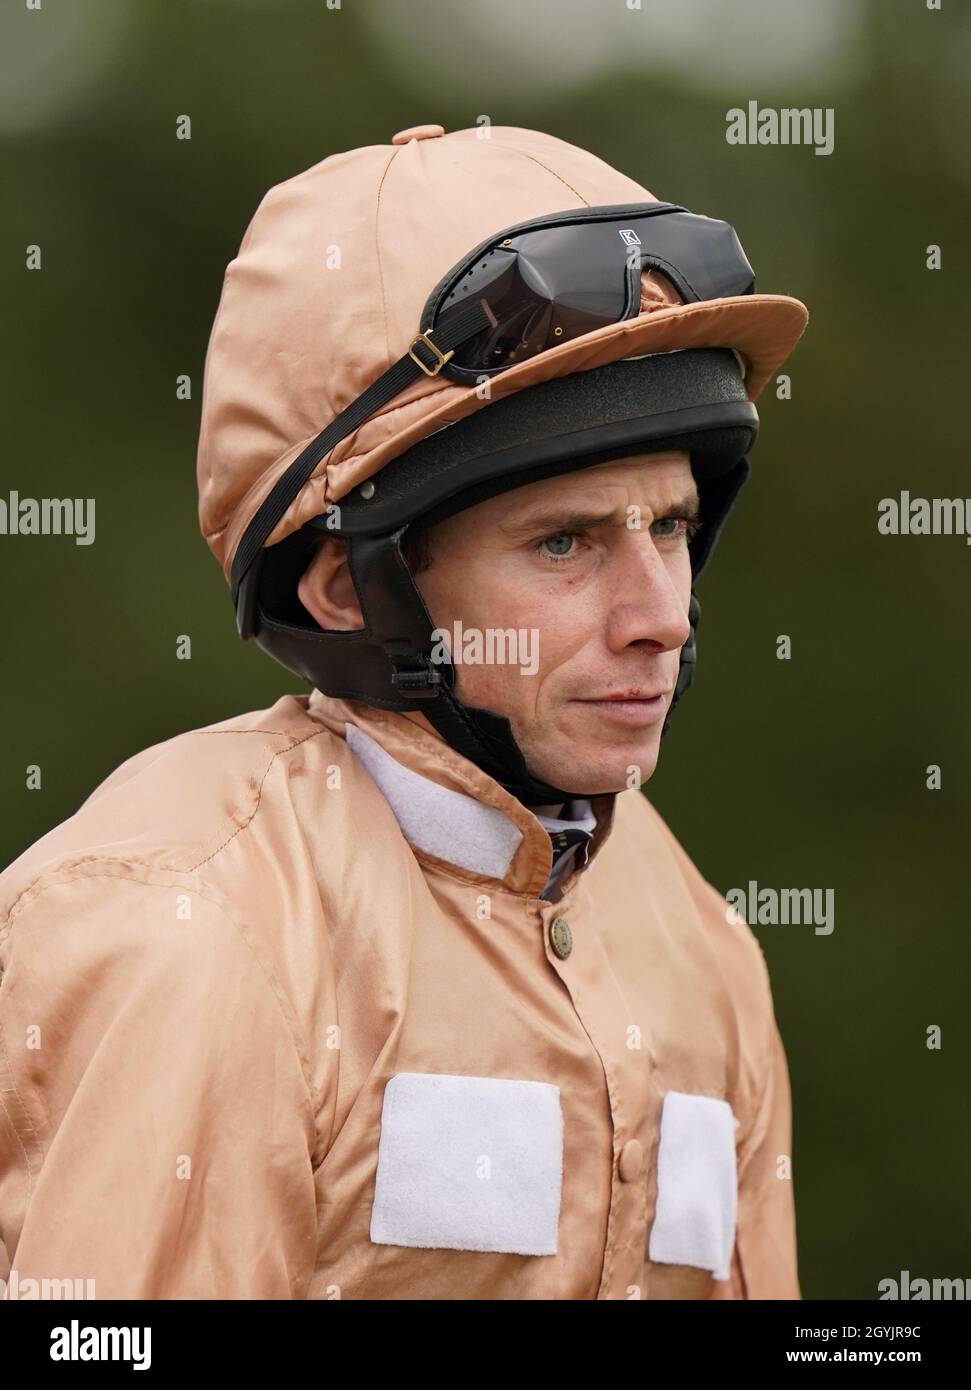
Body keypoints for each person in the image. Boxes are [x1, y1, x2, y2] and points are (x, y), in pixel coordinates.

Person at [0, 124, 809, 1300]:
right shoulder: (190, 931)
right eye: (565, 541)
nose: (661, 616)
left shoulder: (697, 940)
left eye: (670, 526)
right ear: (351, 588)